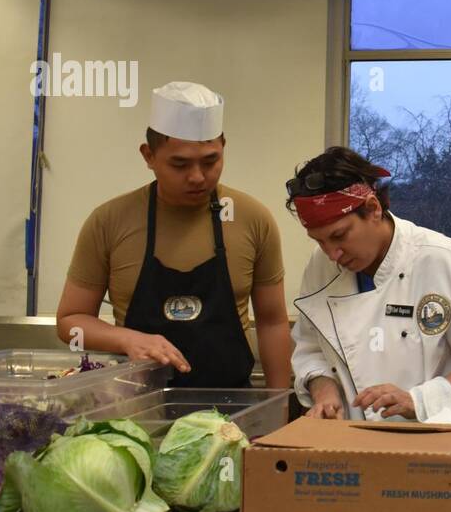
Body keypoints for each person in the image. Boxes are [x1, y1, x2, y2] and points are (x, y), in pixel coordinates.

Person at [56, 81, 292, 390]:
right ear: (148, 156)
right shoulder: (110, 221)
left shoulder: (252, 219)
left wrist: (278, 407)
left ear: (223, 148)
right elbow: (70, 321)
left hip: (233, 412)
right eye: (179, 164)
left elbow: (273, 323)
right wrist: (128, 339)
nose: (197, 177)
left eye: (210, 161)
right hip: (137, 407)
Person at [288, 146, 451, 425]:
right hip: (359, 443)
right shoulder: (321, 266)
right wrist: (326, 393)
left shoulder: (448, 262)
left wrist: (420, 401)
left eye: (339, 235)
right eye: (319, 240)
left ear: (373, 208)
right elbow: (311, 347)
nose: (331, 253)